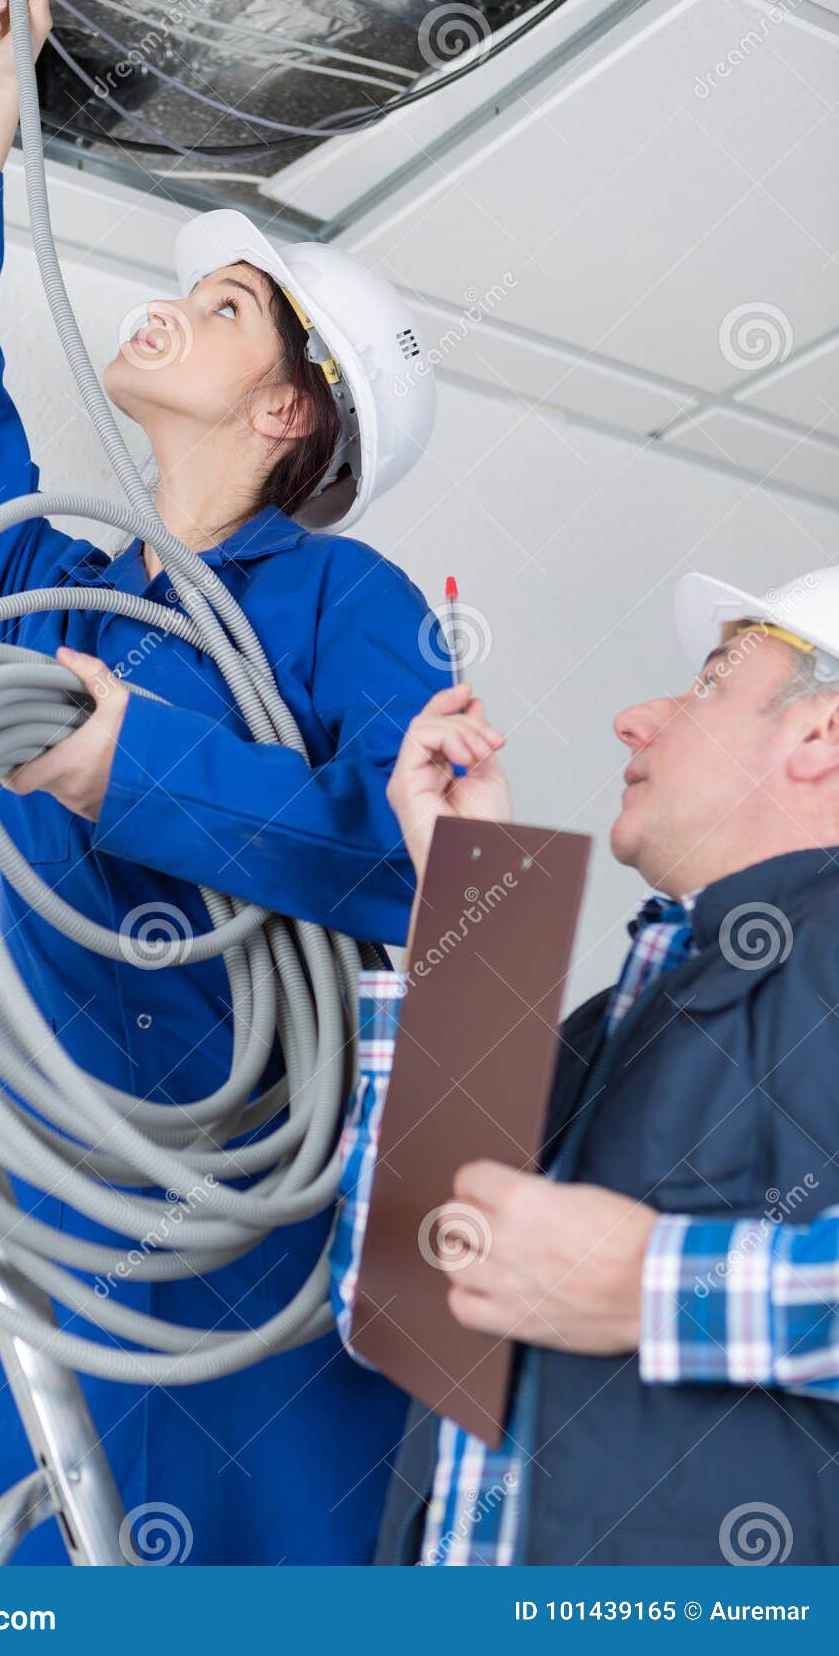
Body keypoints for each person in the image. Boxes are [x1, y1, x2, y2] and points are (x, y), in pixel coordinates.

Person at [0, 0, 446, 1565]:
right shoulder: (48, 583)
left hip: (254, 1226)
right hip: (42, 1203)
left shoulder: (351, 600)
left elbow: (409, 860)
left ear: (284, 408)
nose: (163, 306)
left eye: (219, 308)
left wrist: (130, 766)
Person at [332, 564, 839, 1565]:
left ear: (818, 737)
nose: (631, 718)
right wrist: (474, 918)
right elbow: (404, 1310)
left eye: (703, 685)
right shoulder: (606, 1022)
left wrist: (649, 1284)